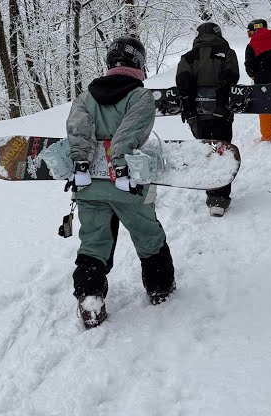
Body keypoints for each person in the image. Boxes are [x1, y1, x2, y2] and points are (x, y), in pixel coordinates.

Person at [65, 35, 175, 329]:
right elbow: (129, 134)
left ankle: (90, 299)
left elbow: (77, 130)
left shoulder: (85, 97)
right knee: (148, 236)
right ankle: (160, 289)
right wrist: (122, 165)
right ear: (138, 63)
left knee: (94, 242)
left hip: (88, 186)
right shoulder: (140, 97)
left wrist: (80, 162)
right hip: (129, 186)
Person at [175, 22, 240, 217]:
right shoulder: (227, 53)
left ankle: (211, 190)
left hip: (197, 114)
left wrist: (189, 108)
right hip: (222, 112)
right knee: (222, 149)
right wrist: (220, 103)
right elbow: (231, 79)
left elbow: (183, 84)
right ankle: (219, 198)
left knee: (205, 150)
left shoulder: (188, 57)